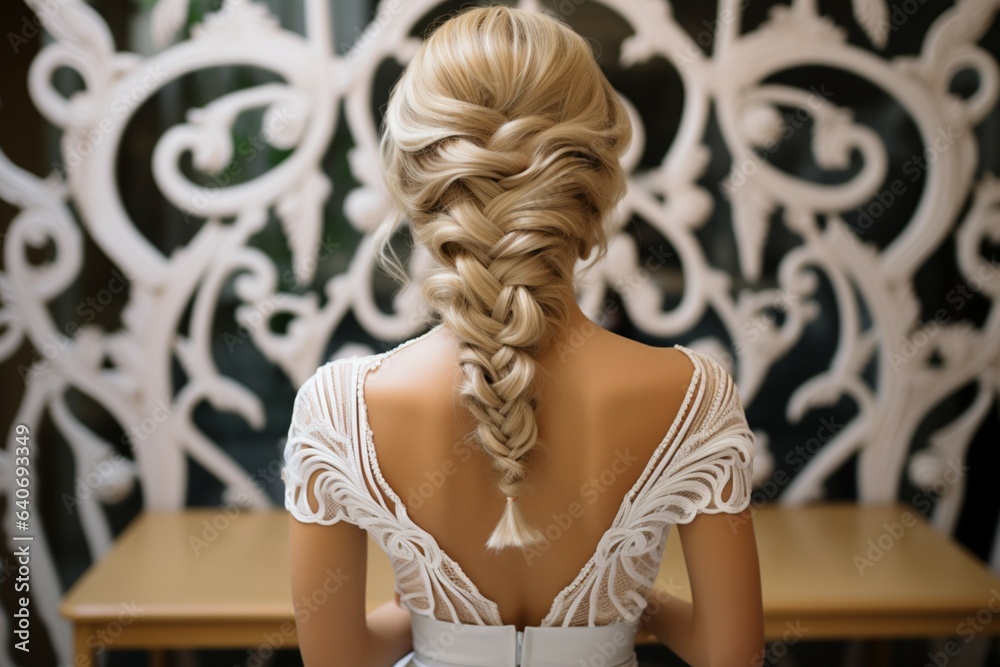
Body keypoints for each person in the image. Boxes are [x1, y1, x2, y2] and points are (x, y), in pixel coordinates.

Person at [282, 5, 763, 666]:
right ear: (595, 179)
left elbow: (338, 659)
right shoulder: (694, 395)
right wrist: (633, 601)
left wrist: (430, 619)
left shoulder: (337, 409)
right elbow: (729, 654)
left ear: (417, 180)